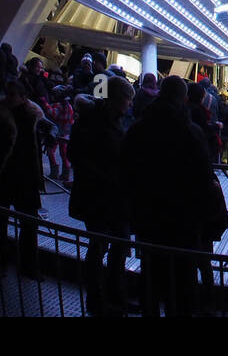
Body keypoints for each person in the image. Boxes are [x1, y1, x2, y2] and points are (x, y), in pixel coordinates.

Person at [122, 76, 216, 315]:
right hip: (183, 221)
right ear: (183, 99)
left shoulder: (138, 129)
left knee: (150, 276)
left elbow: (127, 171)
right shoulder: (191, 132)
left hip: (148, 217)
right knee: (182, 282)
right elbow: (203, 177)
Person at [68, 75, 134, 316]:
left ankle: (112, 297)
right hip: (99, 196)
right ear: (117, 99)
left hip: (107, 196)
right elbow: (78, 156)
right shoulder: (96, 121)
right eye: (127, 99)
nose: (130, 104)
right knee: (103, 247)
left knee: (111, 246)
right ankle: (101, 299)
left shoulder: (99, 119)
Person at [0, 82, 47, 277]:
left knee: (13, 222)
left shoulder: (7, 115)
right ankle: (16, 263)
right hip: (12, 175)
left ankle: (15, 263)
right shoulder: (26, 116)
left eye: (12, 94)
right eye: (7, 93)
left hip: (18, 176)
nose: (8, 97)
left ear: (23, 97)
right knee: (15, 221)